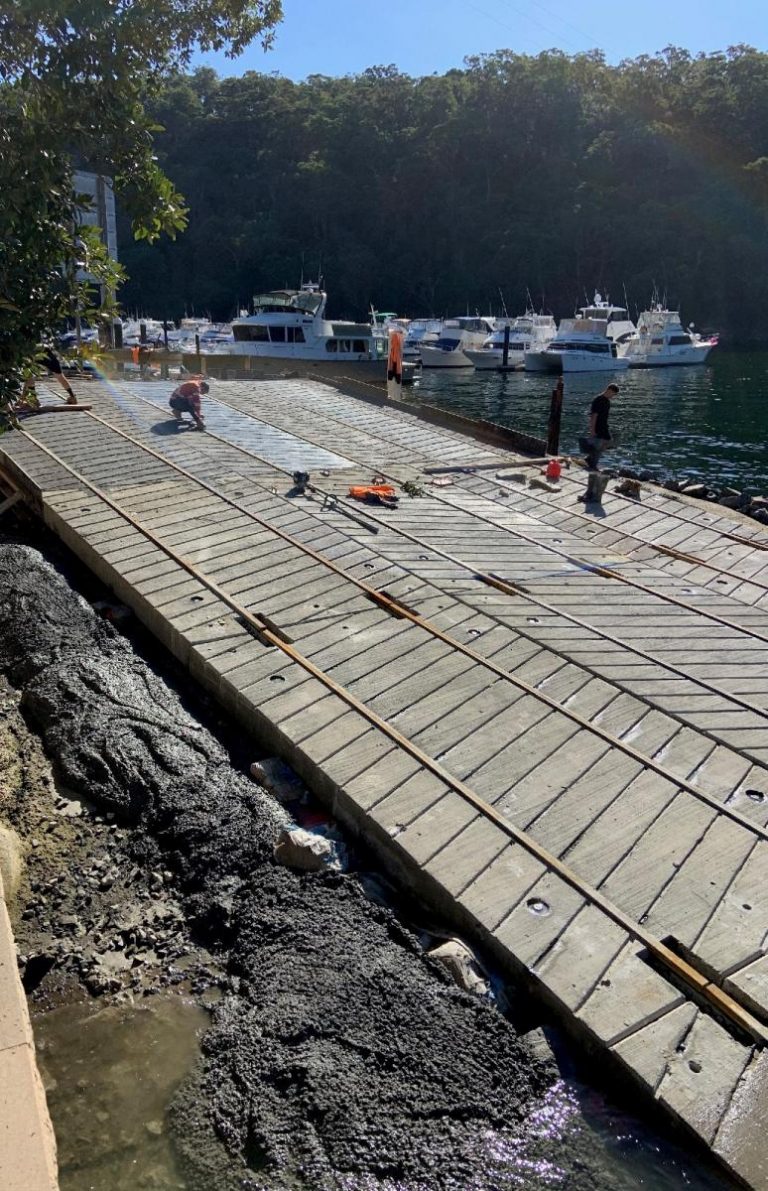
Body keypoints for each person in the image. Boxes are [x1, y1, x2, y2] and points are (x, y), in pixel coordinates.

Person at [583, 382, 619, 471]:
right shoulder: (598, 400)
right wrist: (592, 430)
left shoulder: (607, 401)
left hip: (604, 426)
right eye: (613, 394)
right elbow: (593, 415)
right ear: (609, 390)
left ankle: (589, 458)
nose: (613, 396)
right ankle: (592, 464)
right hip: (597, 427)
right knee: (598, 445)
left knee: (609, 443)